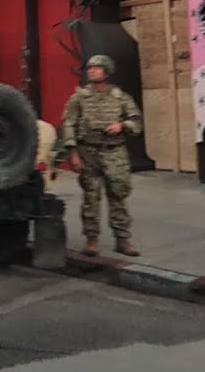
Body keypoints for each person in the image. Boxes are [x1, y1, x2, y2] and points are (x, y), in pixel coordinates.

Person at [60, 54, 143, 258]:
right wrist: (74, 153)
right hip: (88, 152)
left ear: (107, 71)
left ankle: (122, 240)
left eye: (97, 68)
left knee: (118, 196)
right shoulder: (79, 97)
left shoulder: (120, 97)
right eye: (90, 68)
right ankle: (91, 240)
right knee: (90, 198)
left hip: (114, 153)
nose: (92, 71)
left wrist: (122, 125)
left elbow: (137, 121)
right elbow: (68, 123)